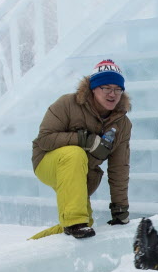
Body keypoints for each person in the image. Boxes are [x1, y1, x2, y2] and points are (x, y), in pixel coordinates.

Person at [31, 59, 131, 239]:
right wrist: (85, 140)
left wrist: (120, 208)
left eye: (117, 89)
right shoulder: (68, 104)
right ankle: (74, 222)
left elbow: (119, 168)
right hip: (48, 162)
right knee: (74, 154)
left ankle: (32, 245)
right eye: (106, 87)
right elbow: (44, 140)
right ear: (93, 88)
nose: (112, 94)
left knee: (85, 223)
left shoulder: (122, 124)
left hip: (81, 172)